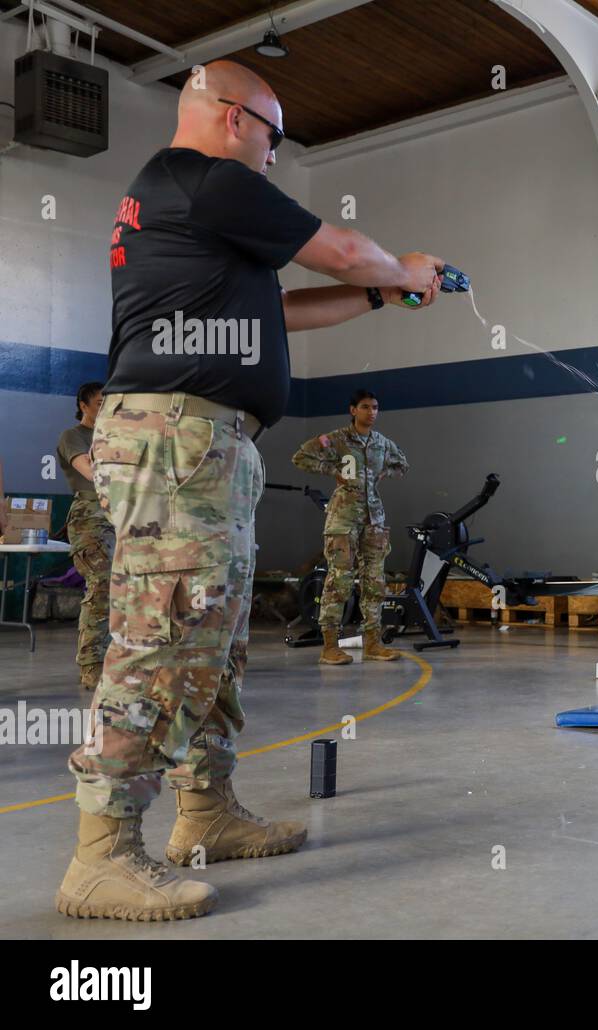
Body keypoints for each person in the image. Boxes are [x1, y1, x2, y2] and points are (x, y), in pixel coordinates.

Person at [59, 59, 446, 921]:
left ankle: (206, 814)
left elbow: (292, 306)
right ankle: (101, 855)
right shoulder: (202, 179)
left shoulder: (197, 214)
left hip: (202, 442)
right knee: (160, 636)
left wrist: (382, 294)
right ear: (235, 119)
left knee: (211, 637)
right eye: (273, 139)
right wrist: (405, 266)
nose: (274, 157)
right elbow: (340, 248)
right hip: (176, 438)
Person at [292, 390, 409, 664]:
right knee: (339, 581)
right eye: (366, 407)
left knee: (375, 582)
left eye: (376, 407)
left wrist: (384, 473)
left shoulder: (382, 443)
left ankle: (373, 643)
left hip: (374, 519)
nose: (372, 412)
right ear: (353, 410)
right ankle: (330, 646)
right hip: (343, 518)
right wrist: (331, 471)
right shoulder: (336, 439)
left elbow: (402, 465)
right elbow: (301, 457)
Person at [57, 382, 115, 690]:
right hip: (90, 517)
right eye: (99, 402)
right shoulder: (73, 437)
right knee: (102, 584)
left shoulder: (116, 436)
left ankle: (118, 663)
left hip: (121, 516)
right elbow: (91, 471)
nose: (105, 408)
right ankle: (92, 666)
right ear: (84, 405)